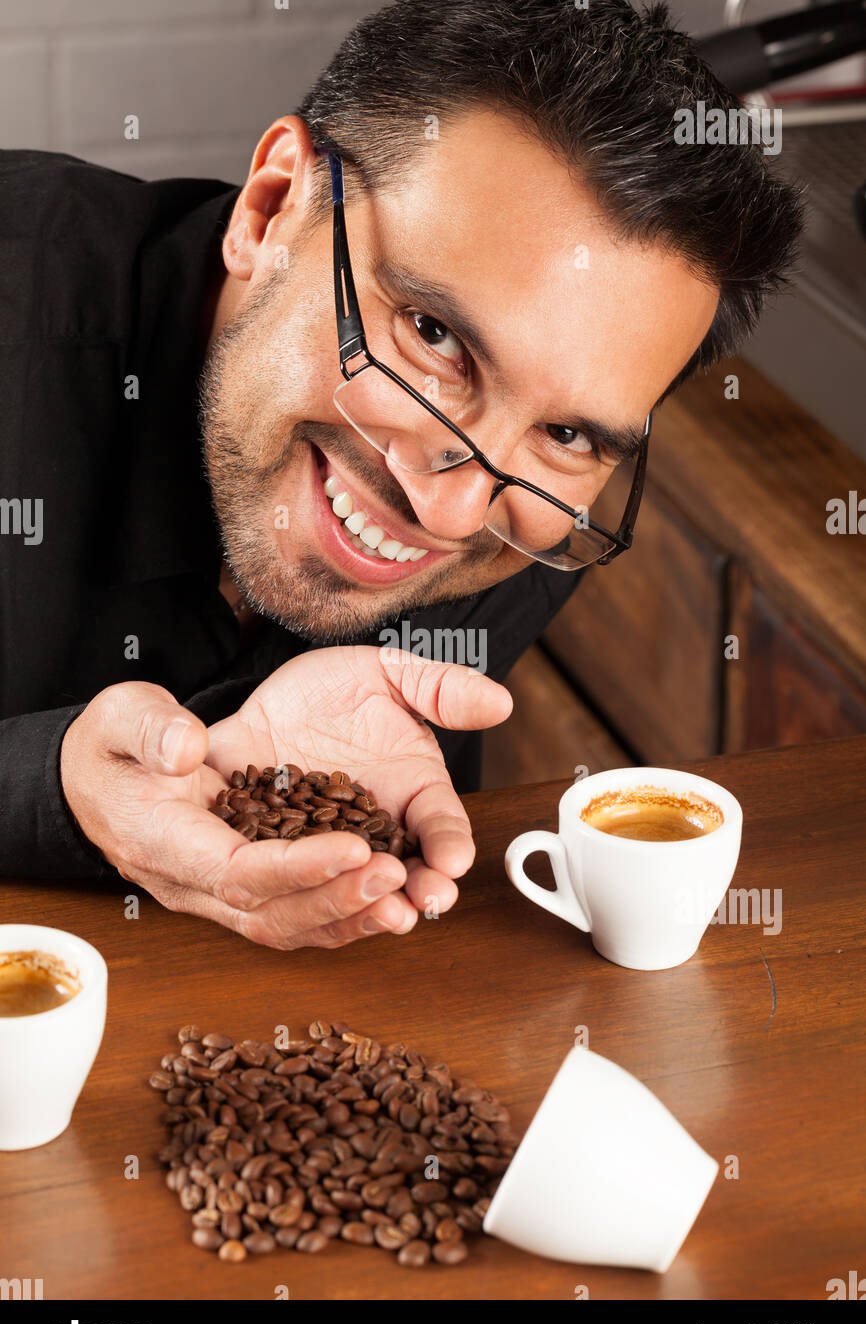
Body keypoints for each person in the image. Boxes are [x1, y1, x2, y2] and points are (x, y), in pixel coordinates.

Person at [0, 0, 802, 949]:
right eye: (433, 336)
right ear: (272, 208)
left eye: (567, 432)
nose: (453, 509)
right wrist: (51, 784)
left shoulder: (534, 516)